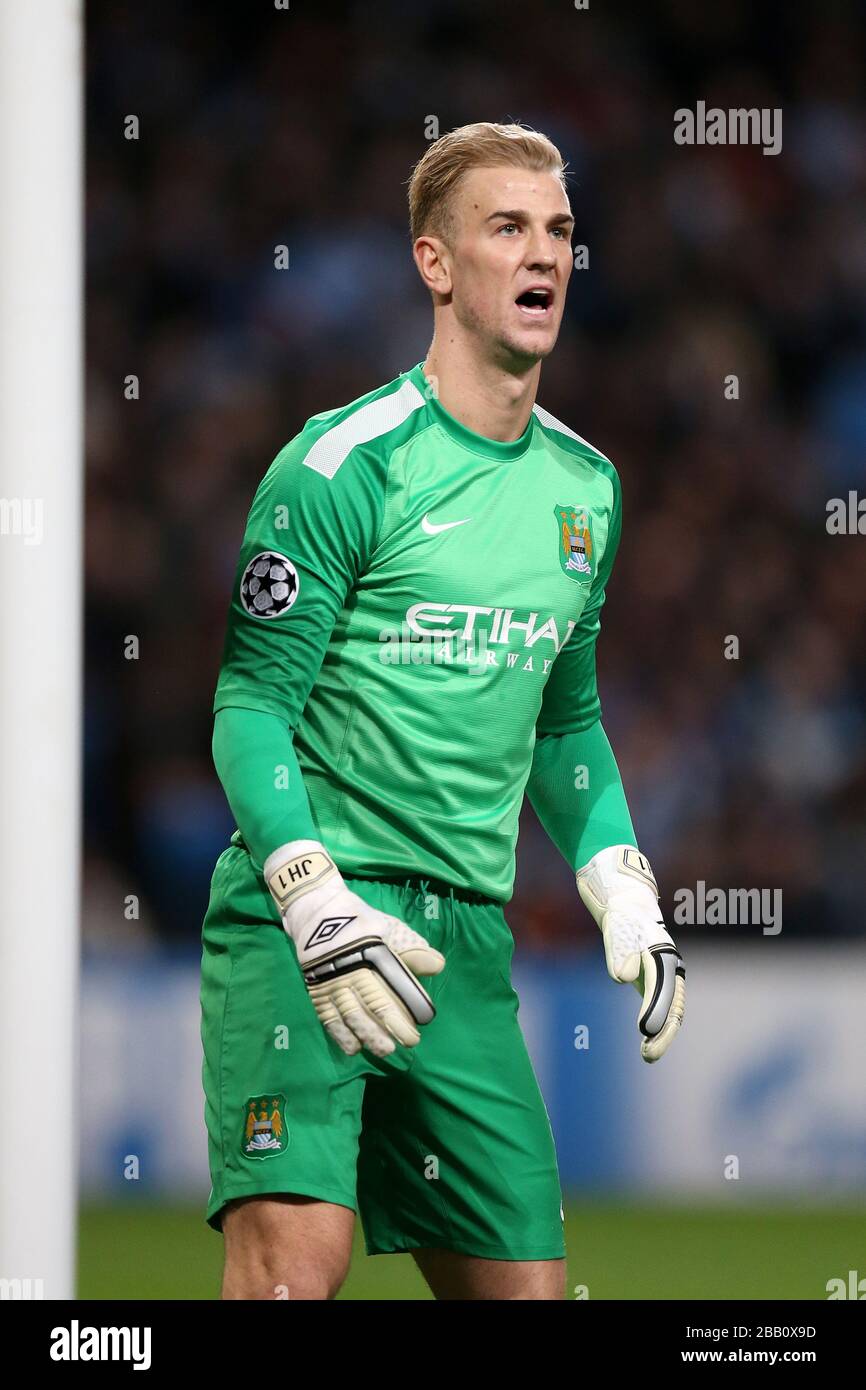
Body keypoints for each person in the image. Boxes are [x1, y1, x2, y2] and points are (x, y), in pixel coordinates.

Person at [200, 121, 685, 1302]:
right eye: (507, 227)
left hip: (464, 944)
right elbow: (247, 703)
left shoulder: (587, 487)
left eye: (559, 230)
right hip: (304, 921)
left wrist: (617, 869)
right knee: (288, 1276)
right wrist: (310, 897)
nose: (544, 254)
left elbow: (563, 720)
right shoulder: (341, 466)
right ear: (435, 263)